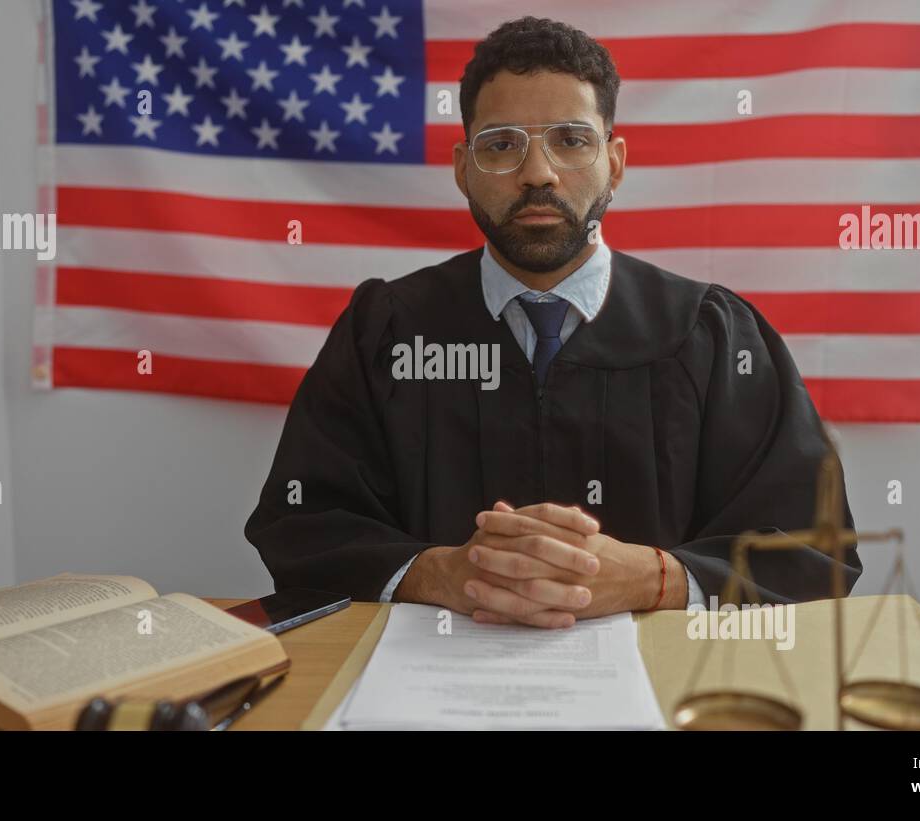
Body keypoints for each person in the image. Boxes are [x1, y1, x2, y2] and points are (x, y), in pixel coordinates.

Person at [245, 16, 861, 629]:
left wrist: (653, 577)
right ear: (463, 167)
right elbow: (301, 522)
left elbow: (813, 548)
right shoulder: (385, 330)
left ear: (615, 163)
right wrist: (438, 573)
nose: (538, 173)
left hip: (664, 695)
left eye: (570, 139)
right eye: (502, 144)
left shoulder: (713, 334)